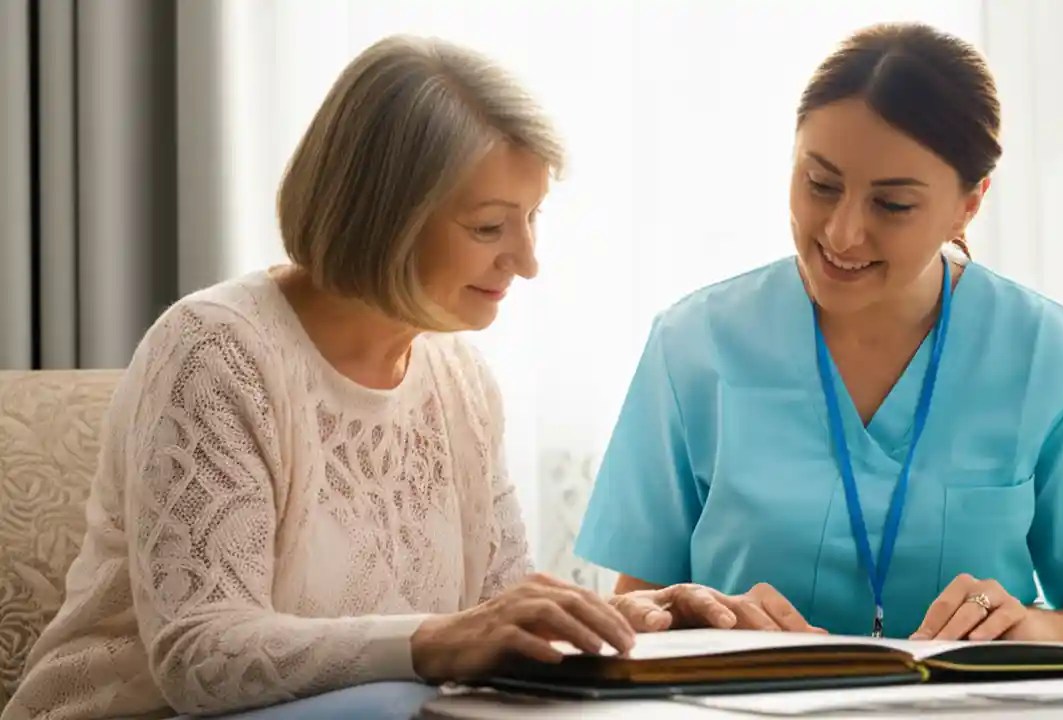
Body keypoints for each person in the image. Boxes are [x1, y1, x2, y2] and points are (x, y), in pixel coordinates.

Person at [2, 35, 775, 720]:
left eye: (532, 219)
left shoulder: (461, 380)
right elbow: (200, 656)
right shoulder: (217, 350)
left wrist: (640, 616)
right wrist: (438, 640)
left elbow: (495, 616)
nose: (526, 260)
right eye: (488, 227)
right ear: (385, 214)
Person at [575, 22, 1063, 645]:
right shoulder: (693, 345)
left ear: (969, 204)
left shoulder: (1050, 353)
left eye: (892, 205)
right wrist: (693, 618)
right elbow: (640, 611)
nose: (843, 234)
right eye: (820, 185)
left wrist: (1029, 626)